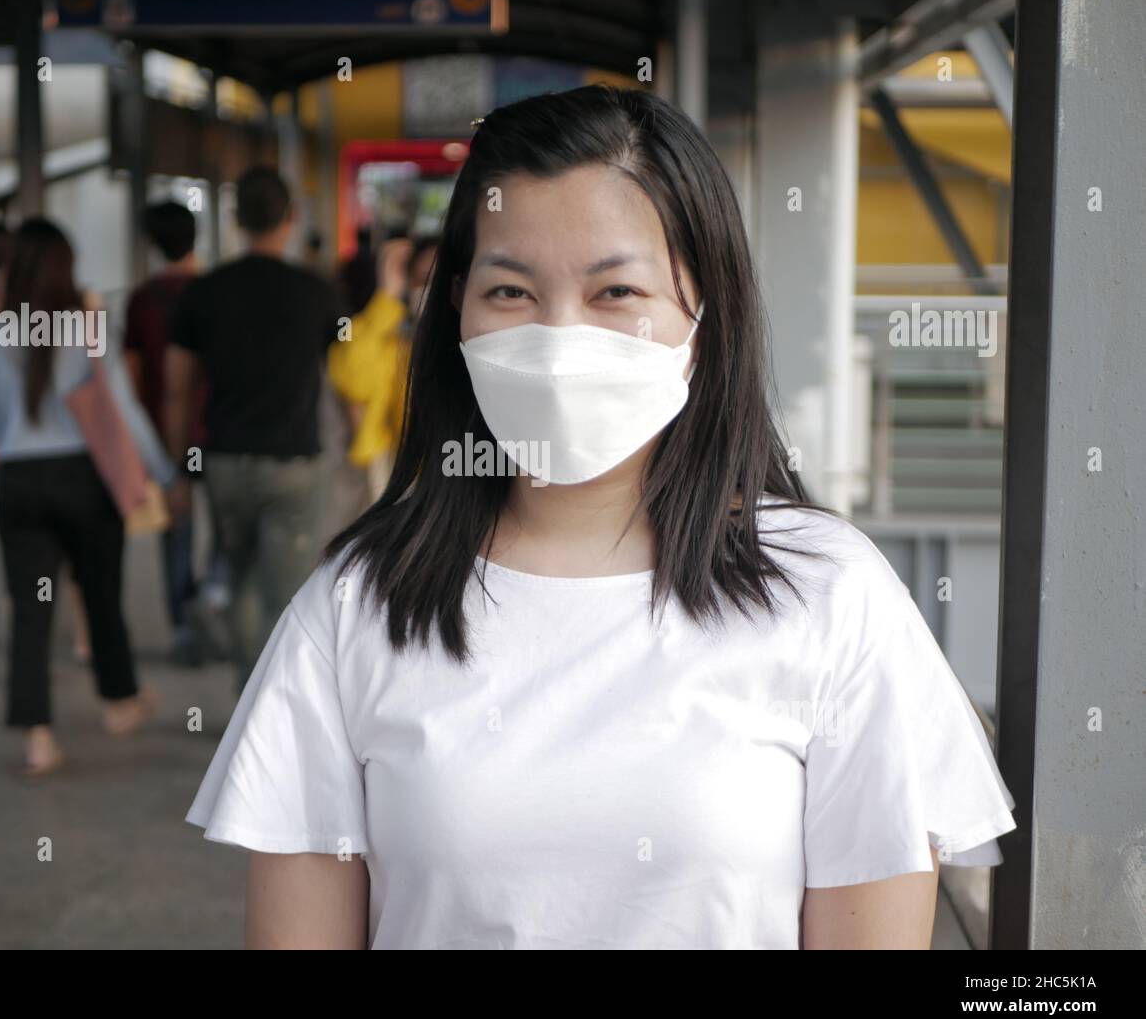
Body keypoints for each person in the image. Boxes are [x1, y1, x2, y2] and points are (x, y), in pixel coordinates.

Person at [185, 86, 1018, 950]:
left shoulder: (829, 597)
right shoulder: (357, 606)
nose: (557, 338)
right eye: (510, 292)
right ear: (458, 314)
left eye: (616, 290)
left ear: (705, 314)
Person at [0, 217, 163, 776]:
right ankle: (119, 703)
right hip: (82, 479)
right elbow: (123, 412)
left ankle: (39, 738)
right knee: (101, 593)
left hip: (20, 481)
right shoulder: (88, 327)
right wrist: (164, 476)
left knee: (31, 614)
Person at [164, 167, 343, 691]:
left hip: (224, 462)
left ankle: (250, 693)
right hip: (294, 461)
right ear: (290, 219)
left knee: (238, 574)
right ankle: (269, 709)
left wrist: (180, 467)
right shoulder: (317, 292)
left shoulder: (203, 293)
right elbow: (350, 374)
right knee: (283, 590)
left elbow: (177, 391)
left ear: (235, 218)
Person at [124, 200, 208, 666]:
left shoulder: (141, 300)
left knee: (176, 527)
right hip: (218, 429)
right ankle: (215, 601)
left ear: (152, 244)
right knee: (227, 529)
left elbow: (132, 373)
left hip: (164, 433)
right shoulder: (214, 290)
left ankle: (182, 627)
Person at [328, 235, 438, 504]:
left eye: (441, 280)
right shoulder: (393, 338)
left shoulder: (480, 341)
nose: (430, 291)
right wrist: (387, 296)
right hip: (401, 480)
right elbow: (351, 376)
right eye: (421, 280)